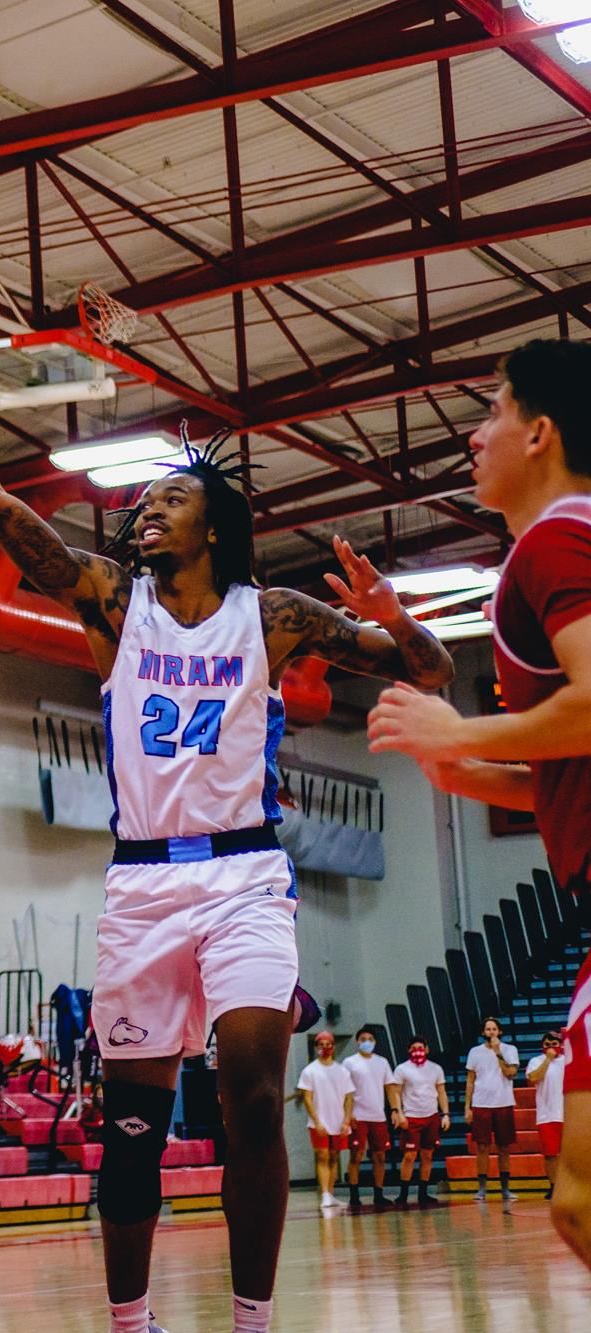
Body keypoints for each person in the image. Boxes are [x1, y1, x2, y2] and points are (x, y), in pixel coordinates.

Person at [0, 284, 454, 1333]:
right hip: (141, 879)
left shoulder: (271, 615)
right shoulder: (110, 597)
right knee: (135, 1128)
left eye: (167, 499)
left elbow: (432, 668)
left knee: (245, 1090)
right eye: (141, 499)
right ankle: (129, 1321)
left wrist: (392, 615)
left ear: (215, 525)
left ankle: (249, 1320)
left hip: (242, 874)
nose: (144, 508)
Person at [365, 339, 591, 1262]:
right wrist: (475, 773)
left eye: (492, 409)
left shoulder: (555, 538)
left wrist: (461, 733)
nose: (474, 430)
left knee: (578, 1198)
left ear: (539, 432)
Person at [291, 1034, 353, 1211]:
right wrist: (317, 1121)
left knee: (334, 1157)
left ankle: (331, 1194)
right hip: (318, 1122)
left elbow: (349, 1098)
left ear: (333, 1046)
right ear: (316, 1047)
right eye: (321, 1044)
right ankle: (324, 1193)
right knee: (323, 1155)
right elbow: (307, 1098)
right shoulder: (310, 1071)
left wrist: (346, 1120)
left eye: (328, 1044)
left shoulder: (342, 1071)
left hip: (338, 1121)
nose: (325, 1047)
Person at [340, 1026, 397, 1211]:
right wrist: (348, 1115)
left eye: (370, 1039)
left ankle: (378, 1193)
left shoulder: (382, 1062)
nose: (367, 1042)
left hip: (378, 1116)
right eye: (363, 1038)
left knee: (380, 1156)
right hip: (359, 1115)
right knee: (356, 1155)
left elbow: (390, 1088)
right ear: (357, 1042)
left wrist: (396, 1110)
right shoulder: (349, 1063)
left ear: (375, 1042)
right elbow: (343, 1091)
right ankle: (354, 1195)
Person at [465, 1017, 521, 1203]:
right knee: (482, 1146)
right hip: (481, 1104)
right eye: (488, 1029)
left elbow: (511, 1073)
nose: (491, 1032)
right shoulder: (475, 1052)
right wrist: (468, 1107)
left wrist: (498, 1053)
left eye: (494, 1029)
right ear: (483, 1033)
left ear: (500, 1032)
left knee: (504, 1146)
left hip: (503, 1102)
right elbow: (470, 1080)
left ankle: (505, 1188)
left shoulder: (510, 1050)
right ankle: (482, 1188)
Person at [391, 1038, 450, 1208]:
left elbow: (441, 1092)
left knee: (427, 1155)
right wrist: (398, 1112)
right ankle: (403, 1193)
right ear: (409, 1050)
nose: (418, 1051)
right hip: (411, 1116)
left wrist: (445, 1114)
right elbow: (396, 1092)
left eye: (421, 1048)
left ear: (427, 1049)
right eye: (414, 1048)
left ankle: (423, 1192)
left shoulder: (435, 1068)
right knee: (410, 1156)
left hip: (431, 1116)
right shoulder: (402, 1069)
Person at [531, 1030, 570, 1196]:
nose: (551, 1048)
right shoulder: (536, 1061)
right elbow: (533, 1078)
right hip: (546, 1114)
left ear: (560, 1045)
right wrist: (548, 1059)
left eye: (554, 1044)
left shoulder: (568, 1061)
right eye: (547, 1045)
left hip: (568, 1114)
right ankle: (553, 1186)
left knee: (570, 1153)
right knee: (550, 1154)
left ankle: (571, 1185)